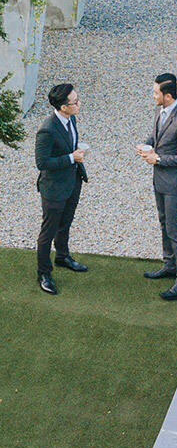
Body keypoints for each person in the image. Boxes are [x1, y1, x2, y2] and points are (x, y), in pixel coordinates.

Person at [137, 73, 177, 301]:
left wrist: (159, 160)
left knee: (175, 230)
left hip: (174, 184)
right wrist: (146, 145)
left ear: (168, 95)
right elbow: (155, 136)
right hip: (159, 180)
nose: (153, 96)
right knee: (164, 223)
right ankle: (169, 265)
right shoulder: (159, 110)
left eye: (155, 93)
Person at [34, 82, 89, 295]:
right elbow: (42, 162)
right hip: (54, 188)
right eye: (75, 102)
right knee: (48, 231)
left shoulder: (71, 118)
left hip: (73, 181)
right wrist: (70, 157)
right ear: (63, 107)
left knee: (65, 223)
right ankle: (43, 273)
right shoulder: (47, 130)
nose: (79, 104)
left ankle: (63, 256)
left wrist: (74, 153)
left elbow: (68, 145)